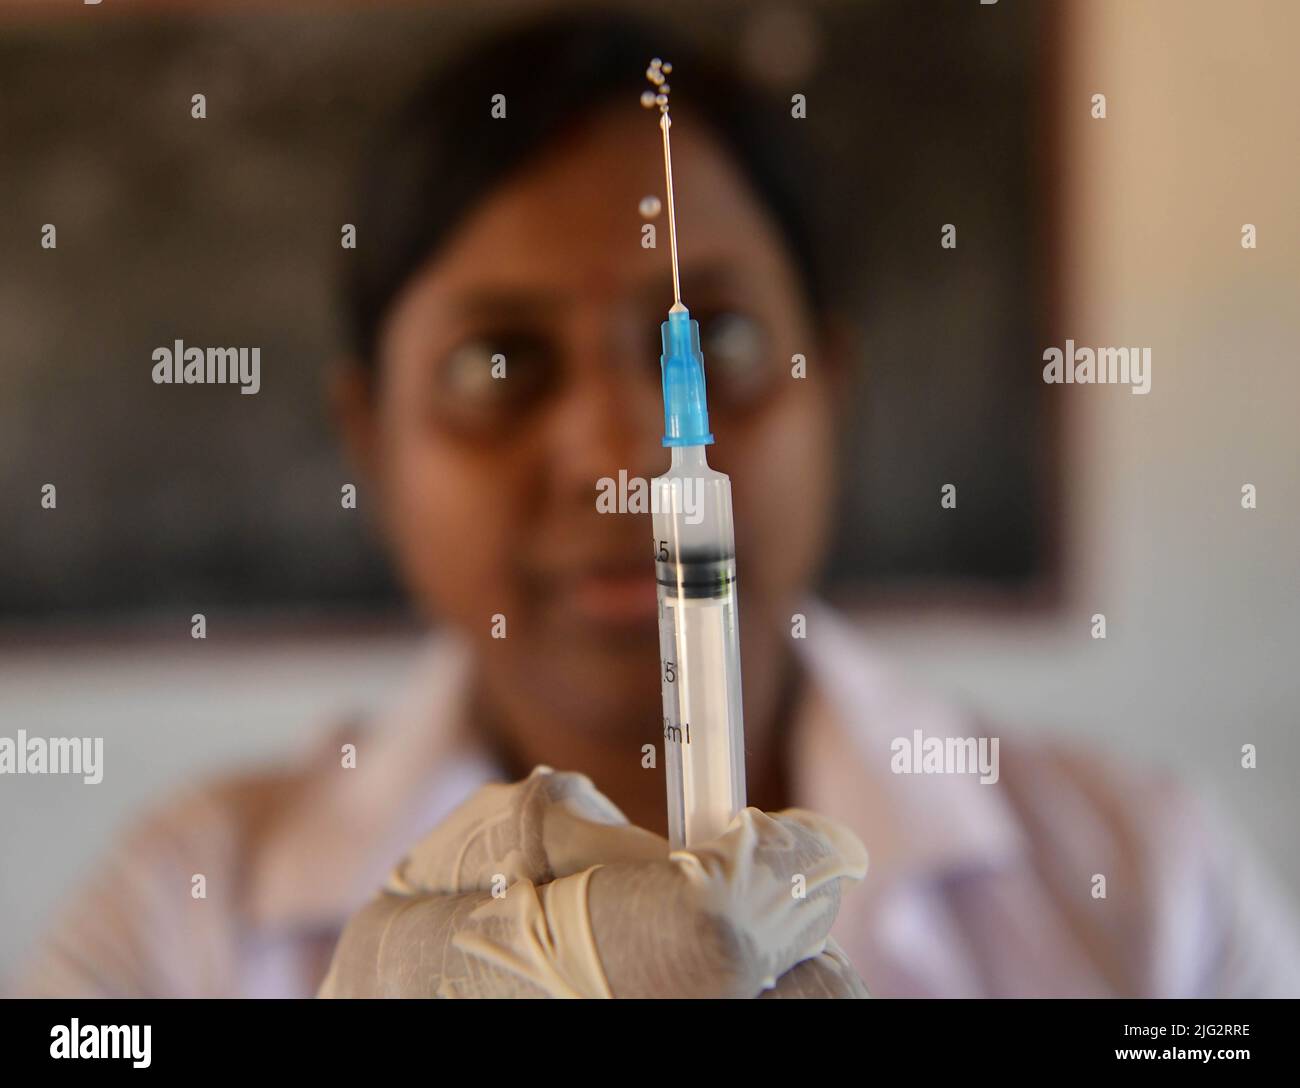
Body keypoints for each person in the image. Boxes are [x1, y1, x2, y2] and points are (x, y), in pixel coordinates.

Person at [12, 12, 1300, 999]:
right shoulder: (173, 922)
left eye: (714, 341)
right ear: (374, 441)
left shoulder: (1149, 892)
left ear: (831, 384)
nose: (621, 447)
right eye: (498, 364)